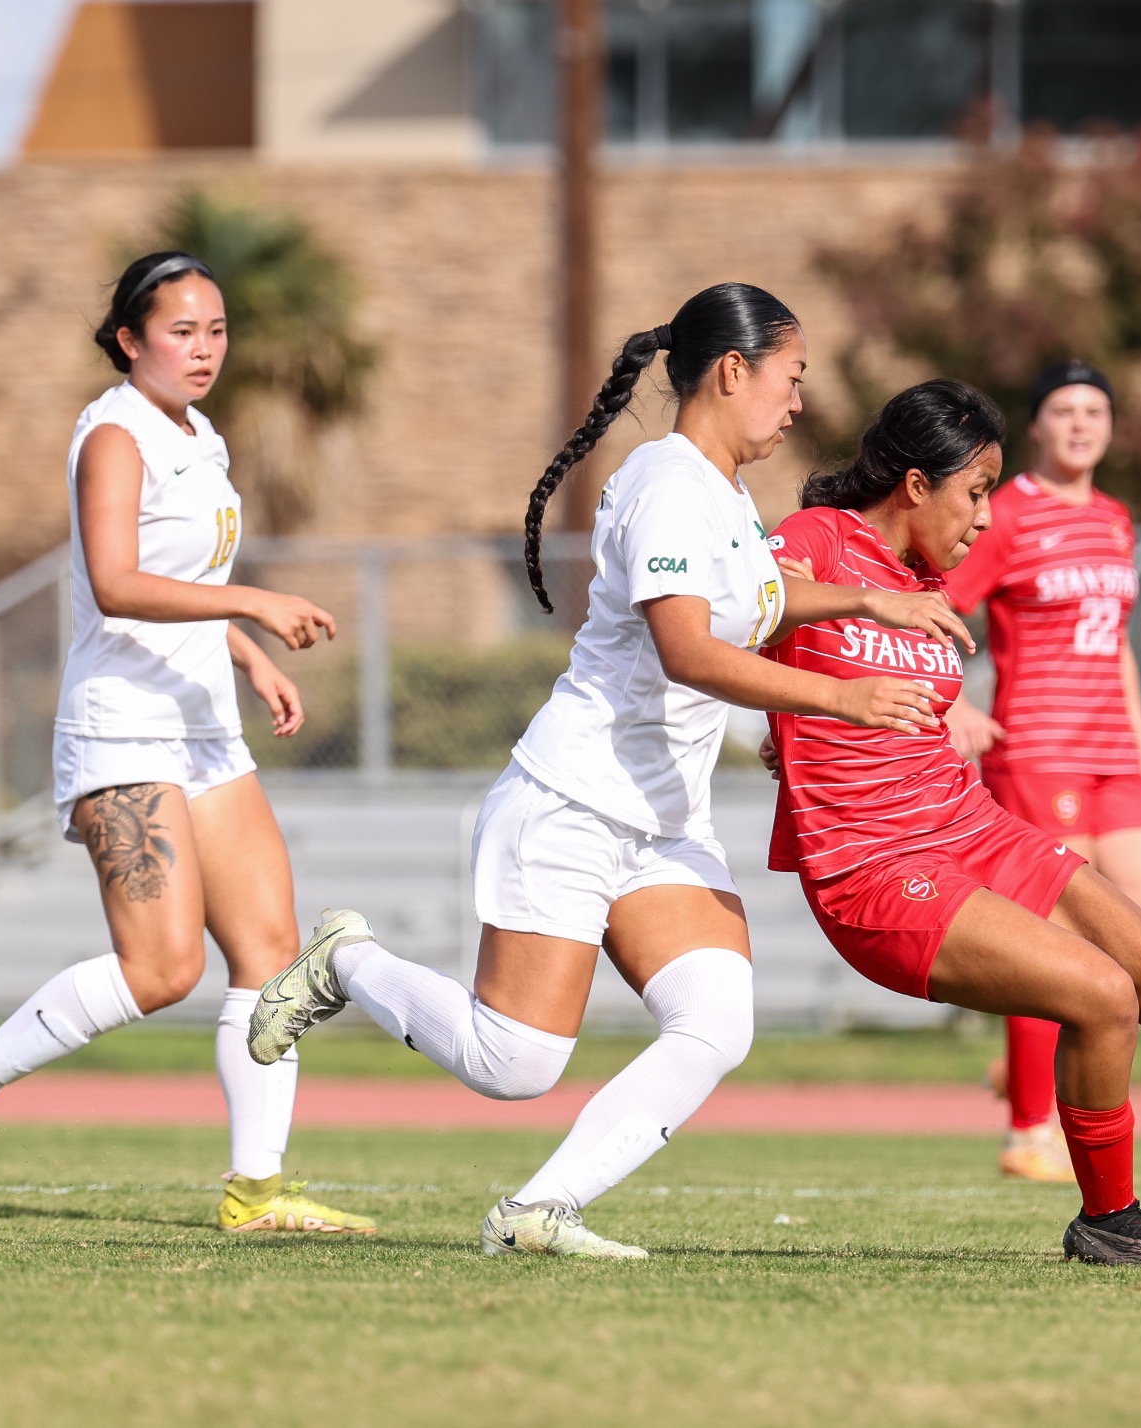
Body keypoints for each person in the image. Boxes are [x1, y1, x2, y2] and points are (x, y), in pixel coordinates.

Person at [246, 283, 972, 1259]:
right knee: (515, 1065)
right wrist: (843, 700)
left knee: (714, 1025)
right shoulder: (665, 482)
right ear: (732, 371)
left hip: (662, 823)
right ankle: (345, 961)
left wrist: (864, 605)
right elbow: (686, 649)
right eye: (790, 378)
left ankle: (535, 1212)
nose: (798, 403)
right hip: (573, 803)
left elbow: (754, 601)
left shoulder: (722, 492)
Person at [762, 379, 1141, 1266]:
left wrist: (938, 710)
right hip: (872, 869)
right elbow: (746, 604)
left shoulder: (930, 578)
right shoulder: (821, 538)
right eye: (976, 491)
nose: (985, 518)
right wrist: (866, 609)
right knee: (1102, 995)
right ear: (917, 483)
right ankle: (1108, 1220)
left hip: (971, 826)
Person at [0, 251, 374, 1234]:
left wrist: (246, 653)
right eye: (181, 331)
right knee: (161, 971)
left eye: (215, 330)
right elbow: (117, 581)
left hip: (204, 727)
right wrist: (252, 597)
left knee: (272, 956)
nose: (204, 350)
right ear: (130, 339)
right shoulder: (115, 436)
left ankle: (256, 1193)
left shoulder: (197, 434)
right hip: (122, 728)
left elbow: (179, 579)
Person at [941, 361, 1141, 1184]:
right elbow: (935, 603)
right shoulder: (1005, 515)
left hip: (1115, 756)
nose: (1081, 423)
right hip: (1038, 751)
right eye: (1063, 410)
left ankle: (1022, 1066)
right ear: (1036, 426)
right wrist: (952, 706)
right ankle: (1028, 1131)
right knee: (1059, 947)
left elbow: (1114, 650)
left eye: (1096, 410)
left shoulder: (1115, 520)